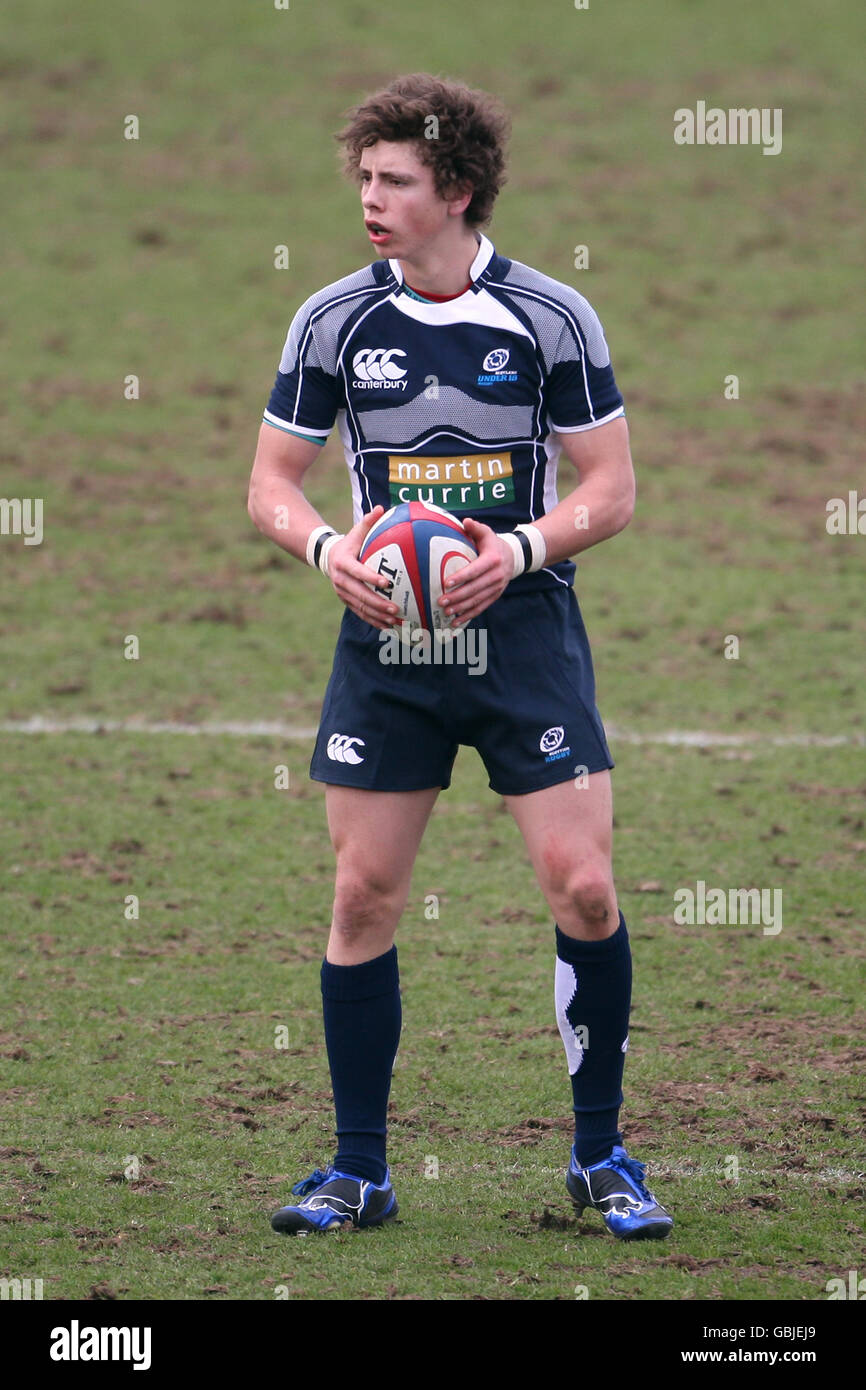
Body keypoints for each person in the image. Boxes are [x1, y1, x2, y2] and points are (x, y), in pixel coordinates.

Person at [247, 73, 672, 1242]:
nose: (370, 201)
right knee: (361, 893)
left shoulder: (549, 318)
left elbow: (612, 490)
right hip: (389, 635)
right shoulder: (333, 321)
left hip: (522, 629)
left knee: (582, 884)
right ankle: (356, 1169)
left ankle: (600, 1157)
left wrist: (518, 547)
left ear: (459, 192)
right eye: (364, 180)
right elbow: (268, 487)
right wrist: (329, 548)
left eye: (394, 182)